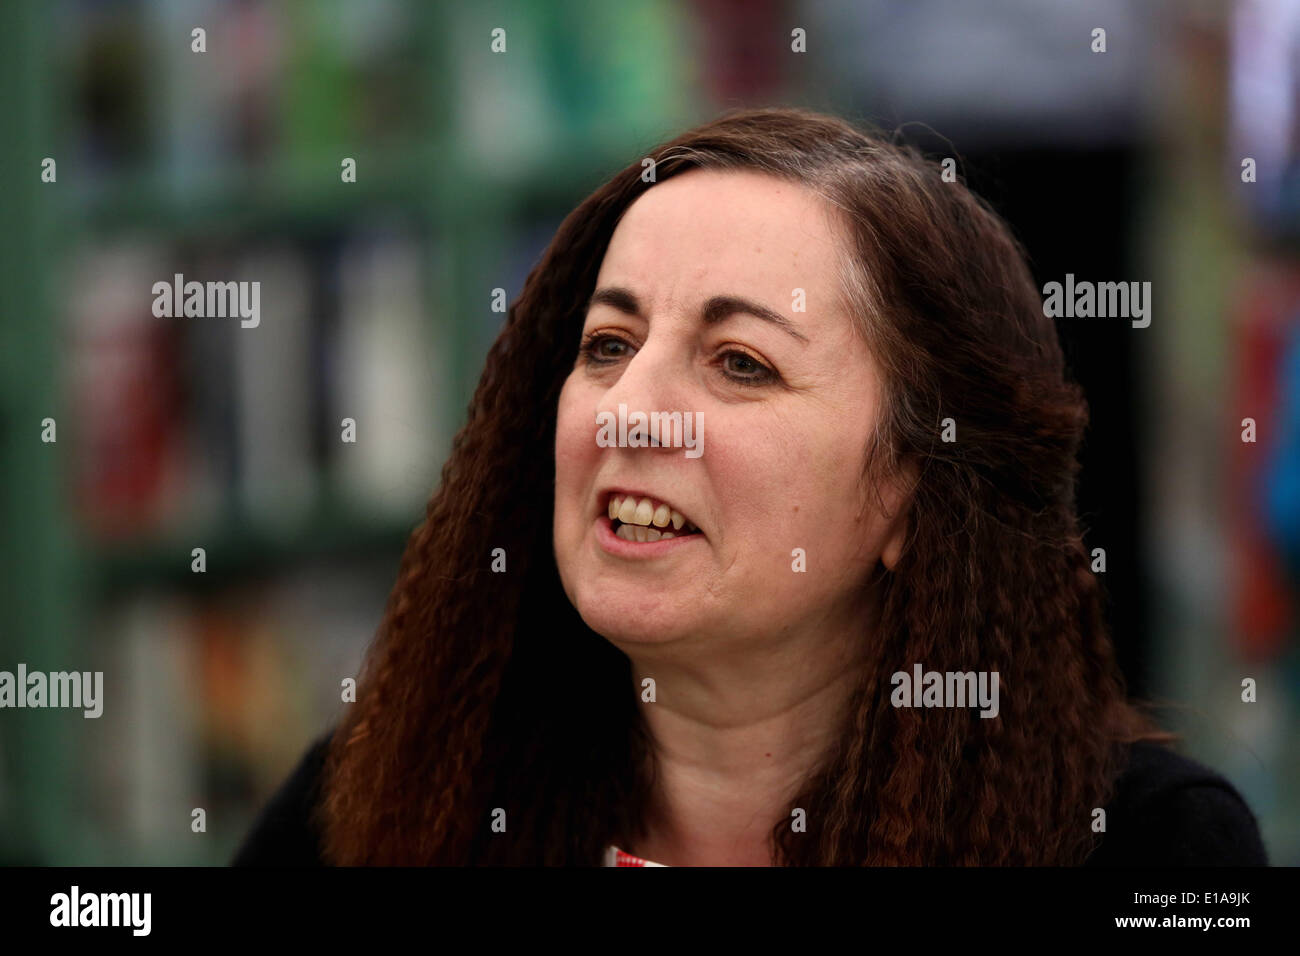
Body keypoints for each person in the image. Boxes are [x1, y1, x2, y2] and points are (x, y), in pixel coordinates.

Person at [234, 107, 1267, 866]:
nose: (628, 409)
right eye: (606, 343)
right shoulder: (376, 801)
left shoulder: (1147, 848)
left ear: (913, 487)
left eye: (740, 363)